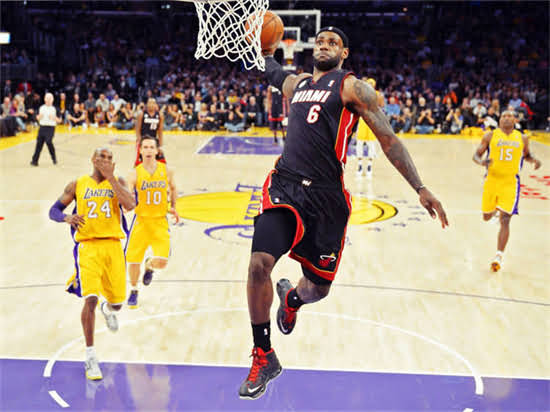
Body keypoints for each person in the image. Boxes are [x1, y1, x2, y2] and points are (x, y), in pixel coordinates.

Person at [238, 26, 448, 400]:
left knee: (317, 289)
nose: (324, 45)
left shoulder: (353, 88)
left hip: (326, 199)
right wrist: (263, 49)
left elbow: (389, 140)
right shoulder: (299, 84)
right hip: (285, 185)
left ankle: (293, 300)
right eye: (320, 41)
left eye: (332, 42)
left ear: (344, 52)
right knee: (258, 264)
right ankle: (264, 354)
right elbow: (272, 73)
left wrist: (420, 187)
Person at [48, 147, 136, 380]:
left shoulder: (118, 182)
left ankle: (108, 309)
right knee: (90, 299)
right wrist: (66, 217)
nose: (105, 160)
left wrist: (111, 179)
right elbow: (53, 210)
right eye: (101, 157)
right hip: (87, 248)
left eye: (109, 158)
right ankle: (90, 356)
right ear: (93, 159)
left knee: (117, 303)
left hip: (113, 247)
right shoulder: (77, 184)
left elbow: (130, 205)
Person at [473, 110, 541, 272]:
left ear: (515, 120)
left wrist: (534, 160)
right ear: (499, 119)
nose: (506, 118)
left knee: (505, 220)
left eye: (510, 116)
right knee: (486, 217)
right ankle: (496, 210)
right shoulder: (490, 136)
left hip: (511, 183)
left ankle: (498, 256)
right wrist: (482, 162)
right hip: (491, 181)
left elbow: (527, 155)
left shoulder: (522, 138)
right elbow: (476, 155)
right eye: (504, 116)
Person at [125, 136, 180, 308]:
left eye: (151, 147)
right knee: (133, 260)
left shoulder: (167, 171)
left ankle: (149, 264)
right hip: (141, 222)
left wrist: (173, 207)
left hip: (159, 221)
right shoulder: (134, 174)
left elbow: (173, 188)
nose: (148, 150)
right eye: (145, 147)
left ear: (157, 151)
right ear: (140, 150)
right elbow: (128, 195)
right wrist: (127, 205)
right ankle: (134, 290)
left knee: (162, 261)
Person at [355, 77, 384, 179]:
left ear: (374, 85)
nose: (370, 86)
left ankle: (369, 166)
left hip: (372, 120)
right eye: (368, 84)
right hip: (363, 120)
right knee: (359, 143)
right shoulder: (361, 94)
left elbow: (382, 106)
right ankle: (359, 165)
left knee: (371, 144)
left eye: (372, 84)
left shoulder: (378, 94)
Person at [30, 93, 61, 166]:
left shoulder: (55, 109)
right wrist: (38, 117)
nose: (48, 100)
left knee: (49, 141)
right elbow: (36, 117)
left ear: (52, 100)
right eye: (47, 98)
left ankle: (54, 158)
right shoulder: (41, 108)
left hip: (50, 128)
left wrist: (54, 118)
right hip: (42, 127)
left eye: (50, 98)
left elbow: (60, 120)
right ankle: (34, 161)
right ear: (44, 99)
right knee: (39, 144)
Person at [135, 98, 164, 166]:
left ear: (156, 105)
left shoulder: (160, 115)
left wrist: (160, 145)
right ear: (147, 104)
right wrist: (139, 141)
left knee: (160, 161)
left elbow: (160, 131)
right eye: (150, 103)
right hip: (143, 140)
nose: (151, 105)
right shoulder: (141, 114)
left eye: (153, 103)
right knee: (140, 161)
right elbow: (137, 129)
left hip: (154, 140)